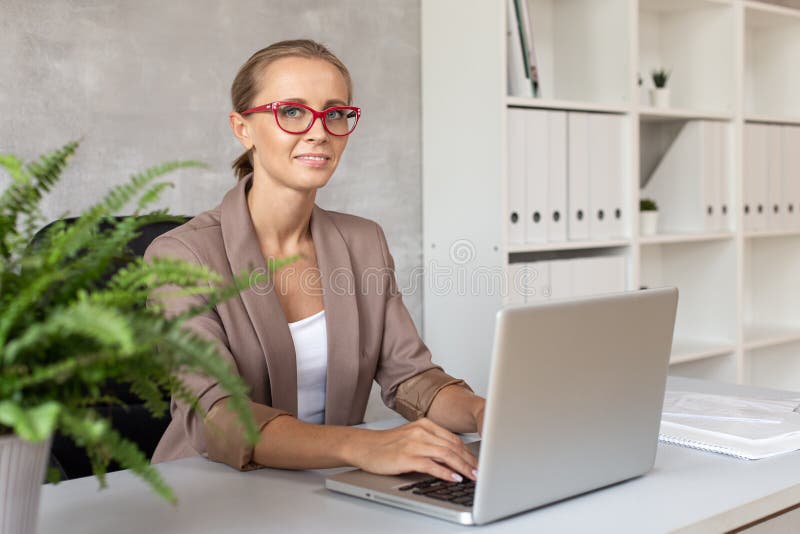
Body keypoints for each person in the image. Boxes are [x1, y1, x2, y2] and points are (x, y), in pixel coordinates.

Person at [145, 39, 485, 484]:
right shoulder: (181, 255)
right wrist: (361, 445)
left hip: (324, 487)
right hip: (208, 492)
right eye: (291, 111)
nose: (319, 130)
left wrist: (486, 413)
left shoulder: (363, 241)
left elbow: (412, 378)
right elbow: (219, 414)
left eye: (335, 112)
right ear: (242, 127)